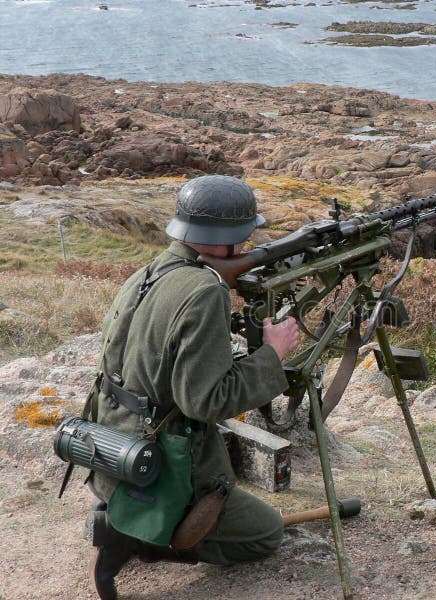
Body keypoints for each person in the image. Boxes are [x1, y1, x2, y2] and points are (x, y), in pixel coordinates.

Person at [86, 175, 300, 600]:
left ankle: (128, 520)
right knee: (267, 533)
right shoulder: (205, 290)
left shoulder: (150, 271)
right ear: (224, 241)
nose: (247, 244)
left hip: (111, 446)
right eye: (243, 236)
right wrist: (272, 355)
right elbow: (205, 402)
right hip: (161, 461)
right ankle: (156, 535)